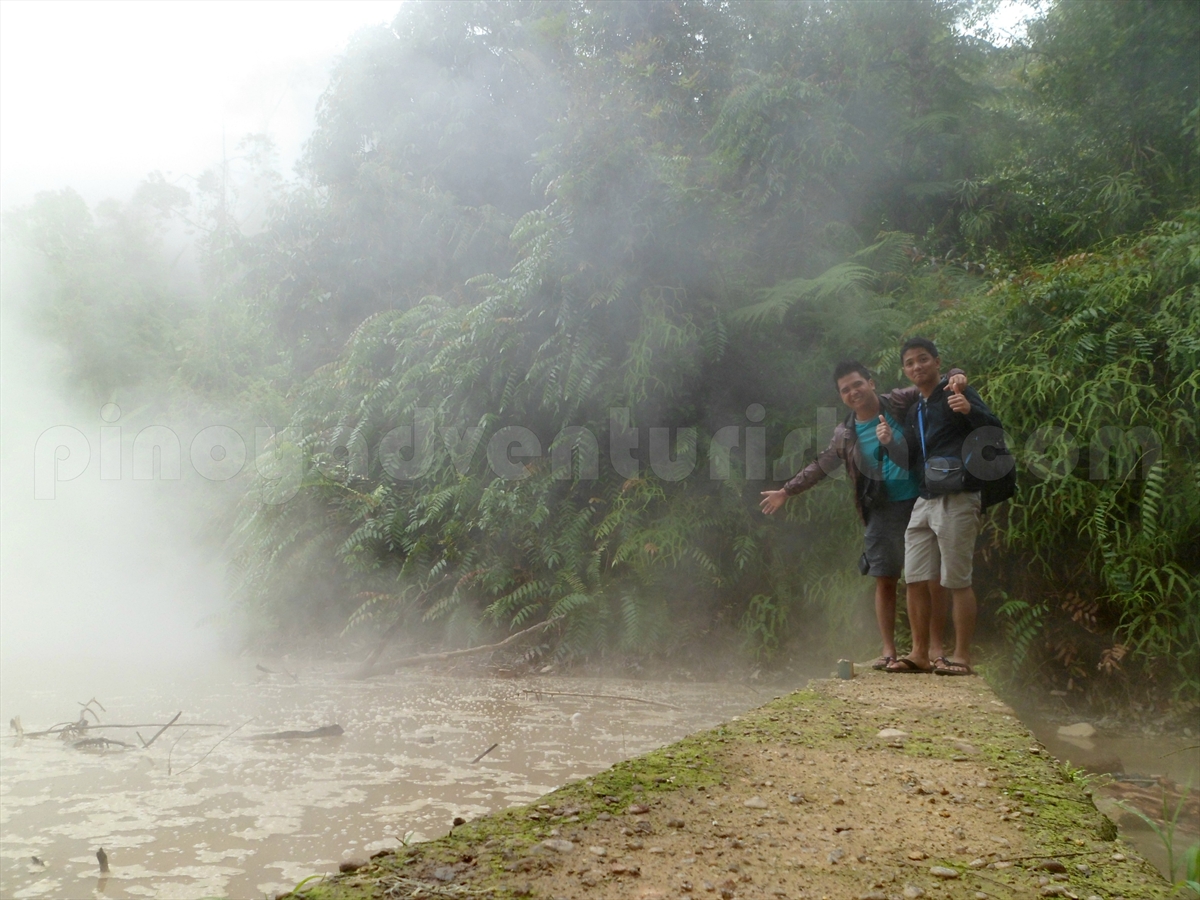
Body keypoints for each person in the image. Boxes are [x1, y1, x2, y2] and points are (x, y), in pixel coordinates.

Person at [760, 360, 964, 669]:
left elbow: (929, 382)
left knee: (929, 576)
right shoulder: (846, 433)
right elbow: (822, 464)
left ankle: (935, 648)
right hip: (880, 507)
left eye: (857, 384)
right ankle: (888, 651)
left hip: (921, 500)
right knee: (884, 577)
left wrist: (955, 374)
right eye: (845, 390)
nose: (853, 392)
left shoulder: (899, 400)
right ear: (841, 396)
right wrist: (786, 491)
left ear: (870, 382)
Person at [878, 337, 1000, 676]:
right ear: (905, 370)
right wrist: (889, 445)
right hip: (925, 498)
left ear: (937, 361)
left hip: (959, 495)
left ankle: (961, 656)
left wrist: (970, 410)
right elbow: (912, 460)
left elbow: (994, 430)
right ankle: (919, 653)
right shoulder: (916, 408)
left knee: (957, 580)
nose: (917, 367)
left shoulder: (955, 392)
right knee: (915, 577)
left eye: (923, 360)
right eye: (910, 363)